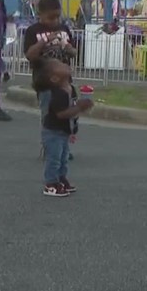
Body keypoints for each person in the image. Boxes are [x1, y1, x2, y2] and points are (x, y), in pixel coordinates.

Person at [24, 0, 79, 153]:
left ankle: (63, 146)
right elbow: (29, 55)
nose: (54, 21)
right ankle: (49, 146)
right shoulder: (33, 31)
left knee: (67, 114)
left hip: (64, 83)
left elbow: (74, 52)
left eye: (57, 17)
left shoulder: (64, 29)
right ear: (40, 14)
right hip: (45, 82)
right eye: (50, 17)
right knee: (48, 114)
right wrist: (44, 42)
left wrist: (69, 48)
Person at [33, 59, 94, 197]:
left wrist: (79, 107)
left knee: (63, 157)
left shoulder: (70, 88)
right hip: (53, 131)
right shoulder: (58, 93)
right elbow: (61, 114)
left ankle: (61, 178)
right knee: (54, 158)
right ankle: (51, 184)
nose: (65, 65)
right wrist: (79, 107)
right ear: (55, 78)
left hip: (64, 130)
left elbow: (71, 106)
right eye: (59, 66)